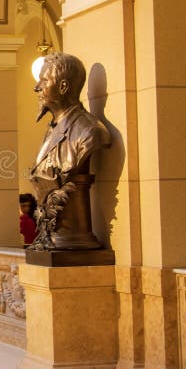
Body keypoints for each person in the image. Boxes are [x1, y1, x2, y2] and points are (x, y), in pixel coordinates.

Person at [28, 52, 110, 250]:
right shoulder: (52, 130)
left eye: (44, 80)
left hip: (72, 240)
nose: (36, 87)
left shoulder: (88, 131)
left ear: (63, 87)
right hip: (53, 239)